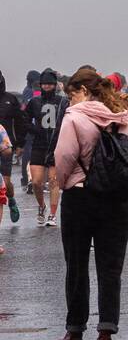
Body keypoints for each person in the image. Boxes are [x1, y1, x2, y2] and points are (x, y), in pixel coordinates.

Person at [51, 67, 128, 340]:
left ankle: (74, 334)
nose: (69, 101)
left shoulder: (75, 118)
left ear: (83, 92)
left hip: (80, 199)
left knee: (77, 266)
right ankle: (105, 338)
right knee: (111, 270)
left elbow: (64, 157)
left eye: (72, 94)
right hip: (116, 203)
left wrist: (66, 182)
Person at [25, 68, 68, 227]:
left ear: (55, 85)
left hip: (56, 145)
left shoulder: (62, 101)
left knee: (53, 180)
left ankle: (52, 214)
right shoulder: (34, 102)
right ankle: (42, 206)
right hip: (39, 145)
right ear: (41, 85)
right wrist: (34, 130)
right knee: (36, 182)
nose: (47, 87)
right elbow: (25, 120)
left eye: (50, 84)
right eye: (45, 84)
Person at [0, 70, 27, 223]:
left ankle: (11, 200)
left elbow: (20, 121)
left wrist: (20, 144)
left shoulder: (10, 99)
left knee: (5, 181)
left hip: (5, 146)